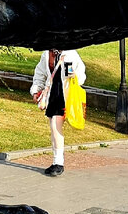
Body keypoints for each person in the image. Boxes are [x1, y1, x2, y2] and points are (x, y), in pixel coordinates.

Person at [30, 48, 86, 177]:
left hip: (66, 95)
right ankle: (57, 162)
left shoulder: (70, 53)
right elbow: (40, 73)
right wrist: (36, 90)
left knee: (55, 126)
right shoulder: (46, 53)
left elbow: (80, 76)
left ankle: (58, 163)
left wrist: (72, 72)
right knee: (54, 127)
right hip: (53, 94)